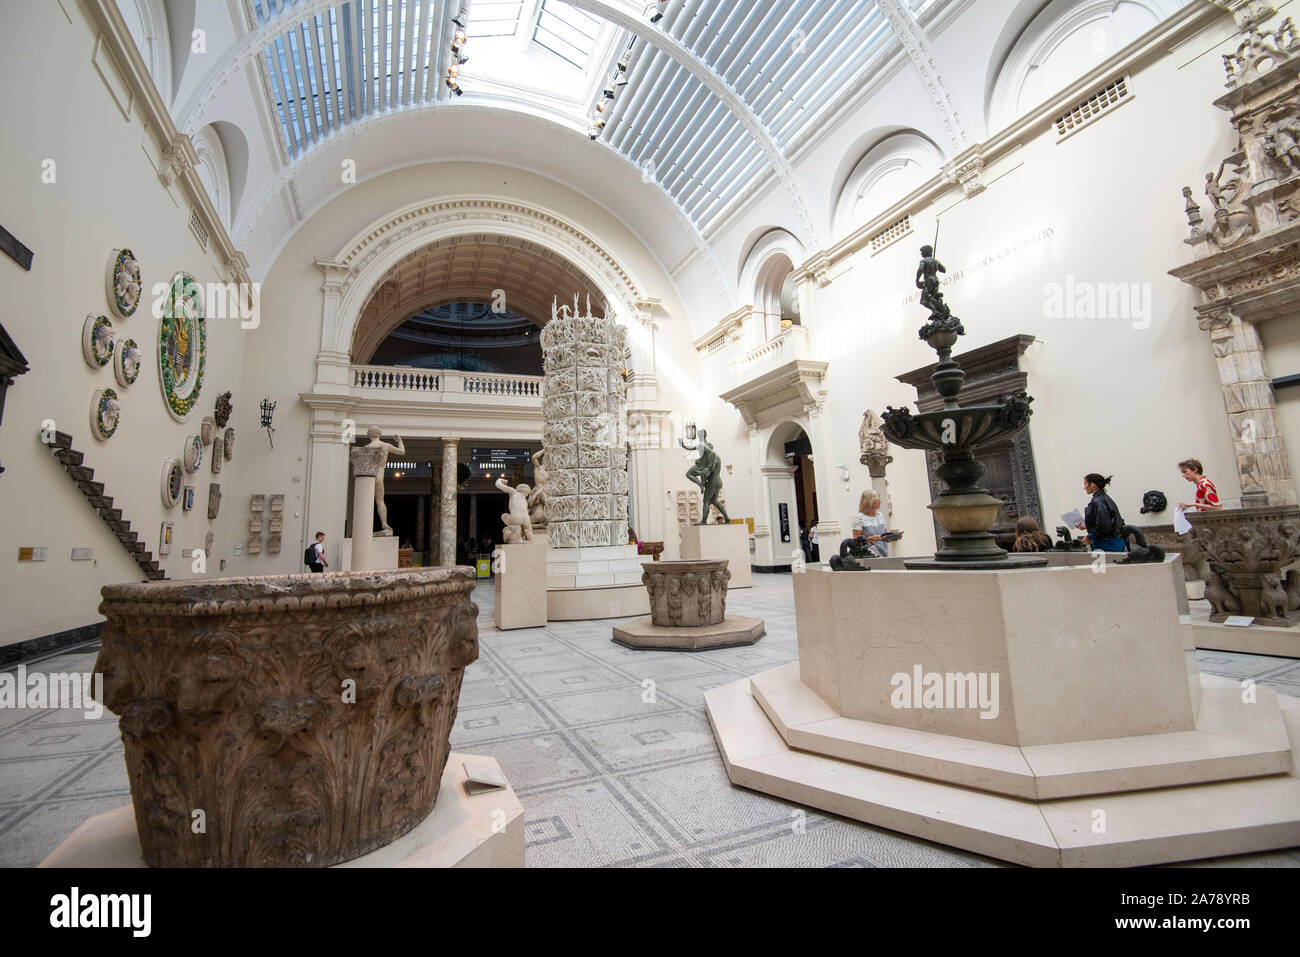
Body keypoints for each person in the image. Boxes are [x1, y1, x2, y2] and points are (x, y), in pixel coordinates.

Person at [1076, 473, 1126, 552]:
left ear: (1092, 485)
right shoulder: (1104, 498)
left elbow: (1103, 525)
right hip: (1114, 541)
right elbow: (1107, 520)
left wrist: (1089, 537)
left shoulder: (1098, 501)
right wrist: (1087, 526)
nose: (1084, 487)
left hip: (1107, 544)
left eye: (1085, 484)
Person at [848, 490, 901, 558]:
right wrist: (869, 539)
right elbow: (855, 540)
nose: (880, 502)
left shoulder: (880, 516)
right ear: (869, 501)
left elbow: (884, 537)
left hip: (883, 554)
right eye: (877, 500)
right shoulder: (859, 517)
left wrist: (894, 537)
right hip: (868, 555)